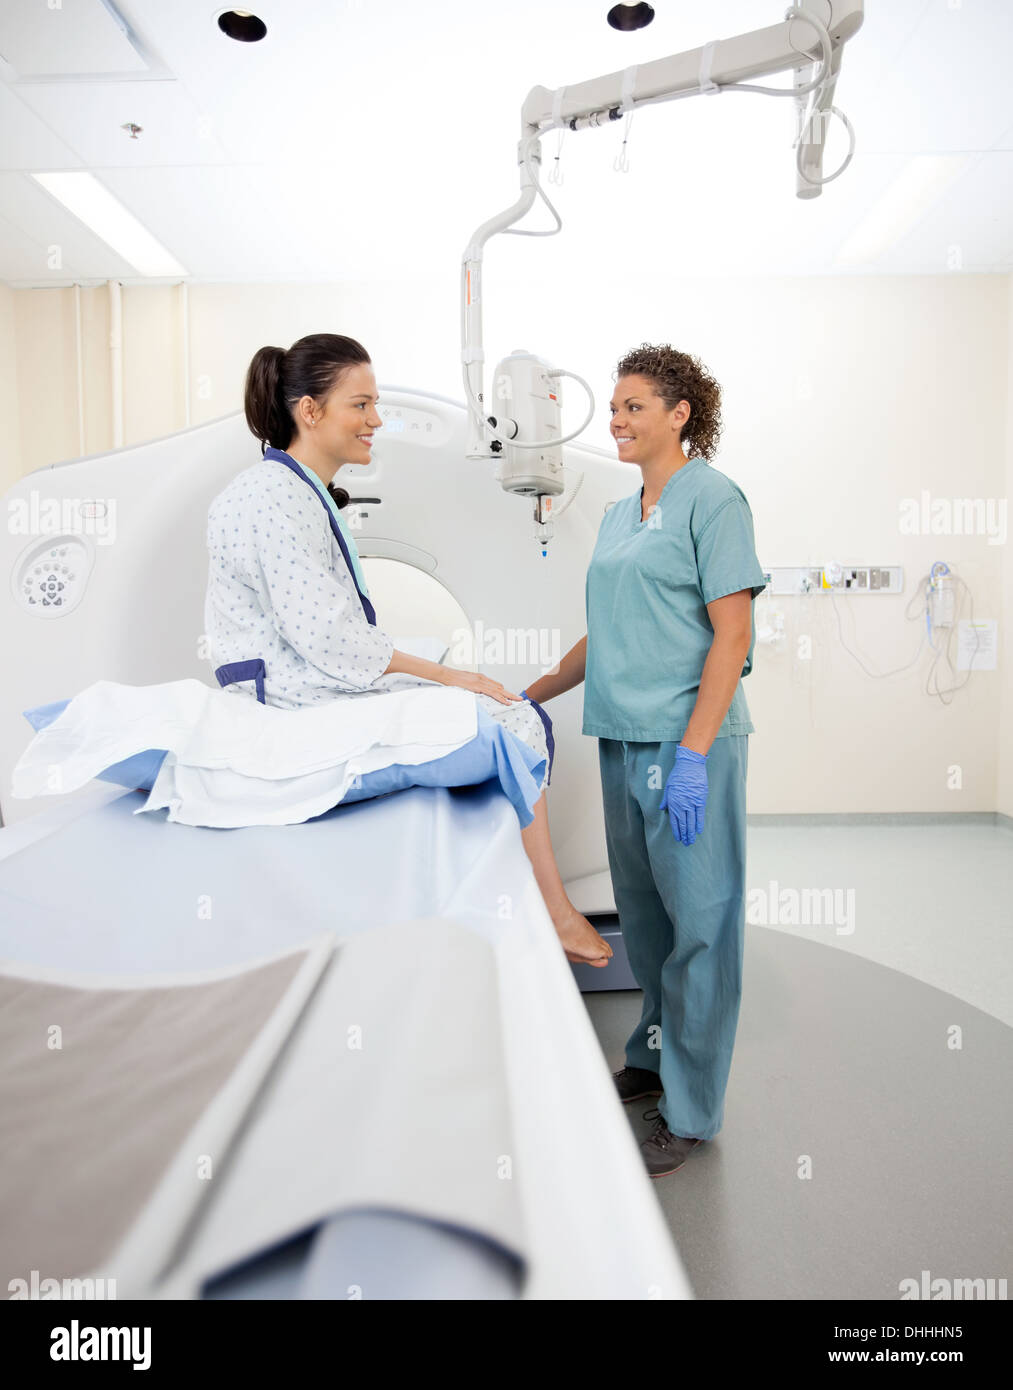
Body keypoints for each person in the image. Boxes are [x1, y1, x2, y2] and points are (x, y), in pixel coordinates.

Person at [204, 332, 613, 969]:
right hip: (291, 704)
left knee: (494, 704)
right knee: (509, 719)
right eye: (361, 405)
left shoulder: (298, 492)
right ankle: (553, 909)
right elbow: (330, 637)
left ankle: (532, 901)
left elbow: (333, 633)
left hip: (312, 683)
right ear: (309, 412)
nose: (376, 420)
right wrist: (449, 677)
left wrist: (444, 677)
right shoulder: (270, 499)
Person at [524, 343, 766, 1177]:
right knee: (651, 921)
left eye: (632, 407)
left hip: (687, 743)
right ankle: (655, 1057)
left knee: (701, 930)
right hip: (623, 737)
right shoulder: (624, 513)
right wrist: (532, 692)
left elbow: (730, 634)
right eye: (617, 407)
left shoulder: (713, 500)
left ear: (678, 415)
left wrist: (695, 754)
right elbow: (613, 629)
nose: (617, 421)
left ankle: (692, 1111)